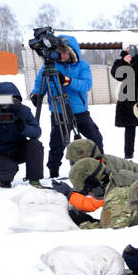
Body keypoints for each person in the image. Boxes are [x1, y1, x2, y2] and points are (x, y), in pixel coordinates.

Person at [31, 34, 104, 178]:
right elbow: (40, 83)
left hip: (80, 111)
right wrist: (36, 94)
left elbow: (86, 85)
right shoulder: (50, 66)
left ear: (72, 52)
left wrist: (67, 80)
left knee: (96, 138)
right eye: (59, 52)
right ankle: (53, 173)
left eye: (64, 52)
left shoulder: (82, 65)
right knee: (57, 144)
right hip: (58, 111)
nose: (62, 56)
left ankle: (101, 165)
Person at [0, 82, 43, 187]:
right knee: (9, 167)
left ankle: (34, 179)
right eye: (3, 99)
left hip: (18, 149)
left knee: (35, 144)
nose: (6, 104)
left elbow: (37, 132)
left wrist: (23, 128)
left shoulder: (24, 111)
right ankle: (4, 181)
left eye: (11, 99)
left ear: (17, 99)